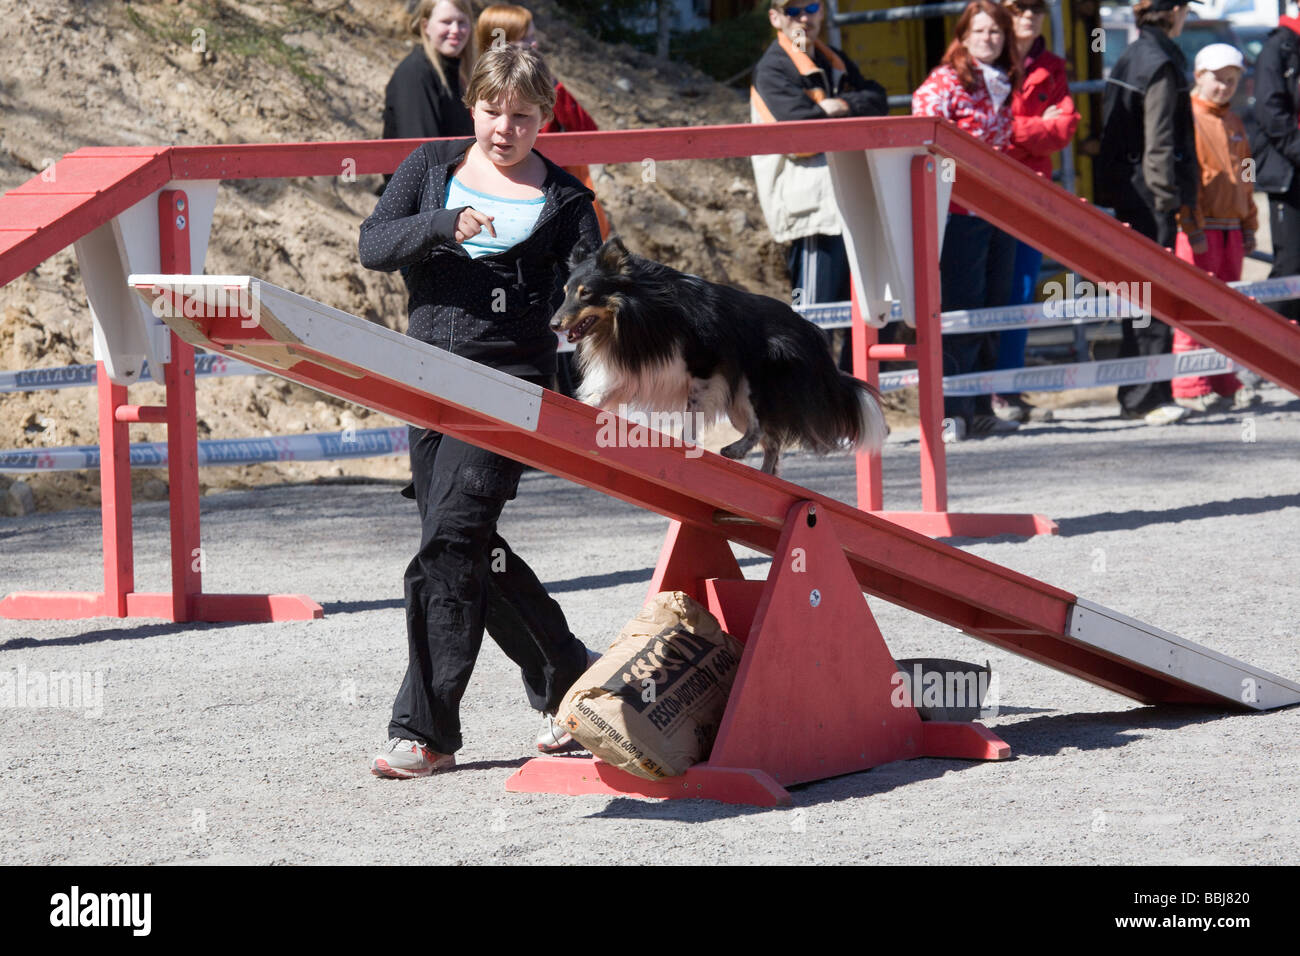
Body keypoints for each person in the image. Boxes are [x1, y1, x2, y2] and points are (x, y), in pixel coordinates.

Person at [359, 46, 603, 778]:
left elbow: (595, 287)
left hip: (509, 384)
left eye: (523, 116)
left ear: (545, 117)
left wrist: (588, 322)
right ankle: (568, 674)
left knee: (451, 540)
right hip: (426, 379)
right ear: (474, 106)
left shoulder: (565, 199)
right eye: (493, 111)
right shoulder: (430, 166)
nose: (506, 128)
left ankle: (424, 731)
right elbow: (373, 244)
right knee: (463, 545)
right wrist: (440, 225)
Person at [750, 0, 888, 371]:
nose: (804, 16)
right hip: (812, 212)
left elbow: (879, 100)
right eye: (792, 8)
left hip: (851, 206)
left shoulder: (835, 59)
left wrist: (837, 105)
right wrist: (841, 110)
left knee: (870, 317)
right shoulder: (773, 68)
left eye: (812, 5)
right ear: (775, 18)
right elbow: (802, 133)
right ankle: (811, 417)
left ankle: (854, 408)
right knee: (814, 326)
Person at [912, 0, 1022, 441]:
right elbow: (921, 132)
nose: (988, 39)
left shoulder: (1001, 82)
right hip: (956, 214)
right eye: (979, 31)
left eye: (995, 32)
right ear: (962, 35)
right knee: (960, 312)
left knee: (994, 307)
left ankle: (980, 405)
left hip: (999, 212)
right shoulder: (944, 82)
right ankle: (950, 409)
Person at [1096, 0, 1198, 426]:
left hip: (1129, 192)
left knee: (1136, 297)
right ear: (1173, 11)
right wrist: (1167, 198)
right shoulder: (1158, 61)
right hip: (1148, 198)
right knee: (1150, 298)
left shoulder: (1134, 53)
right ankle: (1146, 397)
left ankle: (1142, 392)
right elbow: (1158, 141)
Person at [991, 0, 1079, 424]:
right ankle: (977, 393)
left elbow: (1064, 130)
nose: (1028, 14)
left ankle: (1006, 389)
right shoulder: (985, 60)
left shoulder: (1052, 65)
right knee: (984, 293)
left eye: (1036, 7)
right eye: (1018, 6)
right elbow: (988, 130)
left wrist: (1015, 129)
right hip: (983, 192)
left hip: (1030, 195)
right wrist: (1033, 126)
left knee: (1022, 292)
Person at [1170, 43, 1259, 412]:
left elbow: (1247, 174)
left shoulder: (1235, 122)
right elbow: (1184, 178)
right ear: (1198, 76)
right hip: (1199, 228)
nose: (1224, 87)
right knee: (1194, 307)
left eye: (1231, 80)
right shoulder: (1187, 117)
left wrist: (1250, 220)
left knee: (1227, 308)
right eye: (1217, 79)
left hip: (1231, 228)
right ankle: (1191, 385)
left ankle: (1225, 380)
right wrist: (1191, 223)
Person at [1251, 4, 1300, 323]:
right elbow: (1271, 114)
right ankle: (1259, 347)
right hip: (1289, 174)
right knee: (1291, 266)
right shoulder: (1278, 47)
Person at [382, 0, 477, 162]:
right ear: (425, 26)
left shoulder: (457, 74)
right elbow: (420, 151)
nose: (455, 30)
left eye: (462, 22)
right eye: (446, 22)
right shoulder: (415, 73)